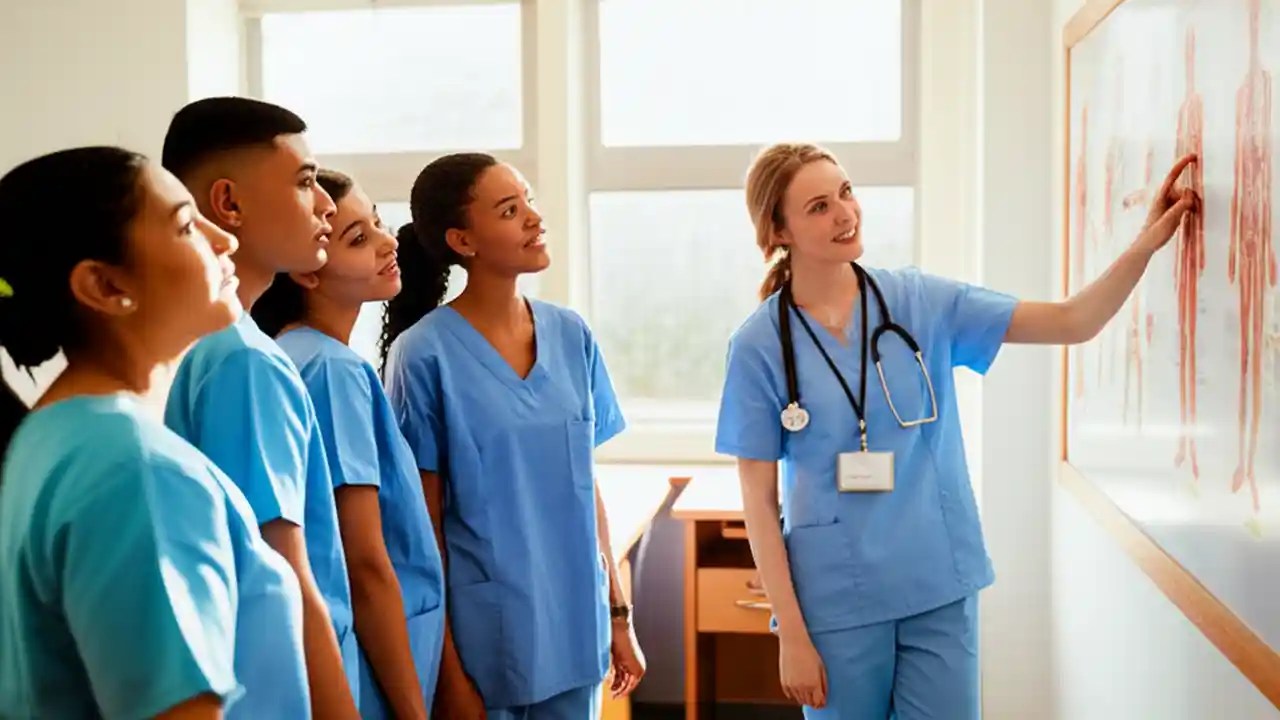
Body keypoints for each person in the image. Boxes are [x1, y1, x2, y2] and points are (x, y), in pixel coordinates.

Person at [715, 142, 1198, 720]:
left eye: (845, 192)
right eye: (818, 206)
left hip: (937, 583)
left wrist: (1145, 242)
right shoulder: (758, 347)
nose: (845, 213)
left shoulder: (920, 301)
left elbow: (1074, 321)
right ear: (779, 229)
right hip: (835, 602)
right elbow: (759, 502)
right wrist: (789, 633)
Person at [0, 146, 309, 717]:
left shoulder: (46, 435)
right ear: (103, 285)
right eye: (188, 225)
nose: (225, 242)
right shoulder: (134, 466)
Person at [381, 152, 645, 719]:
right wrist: (447, 672)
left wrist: (618, 615)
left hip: (578, 630)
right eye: (508, 209)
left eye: (528, 200)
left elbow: (584, 484)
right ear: (463, 239)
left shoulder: (570, 334)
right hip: (489, 647)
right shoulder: (423, 355)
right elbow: (421, 531)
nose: (533, 217)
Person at [159, 97, 361, 718]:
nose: (326, 204)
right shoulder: (243, 361)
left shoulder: (185, 344)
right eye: (305, 183)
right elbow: (286, 573)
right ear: (229, 204)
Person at [252, 168, 444, 719]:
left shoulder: (292, 354)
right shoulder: (333, 372)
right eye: (358, 239)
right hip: (366, 668)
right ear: (309, 272)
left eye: (378, 224)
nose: (387, 243)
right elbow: (365, 562)